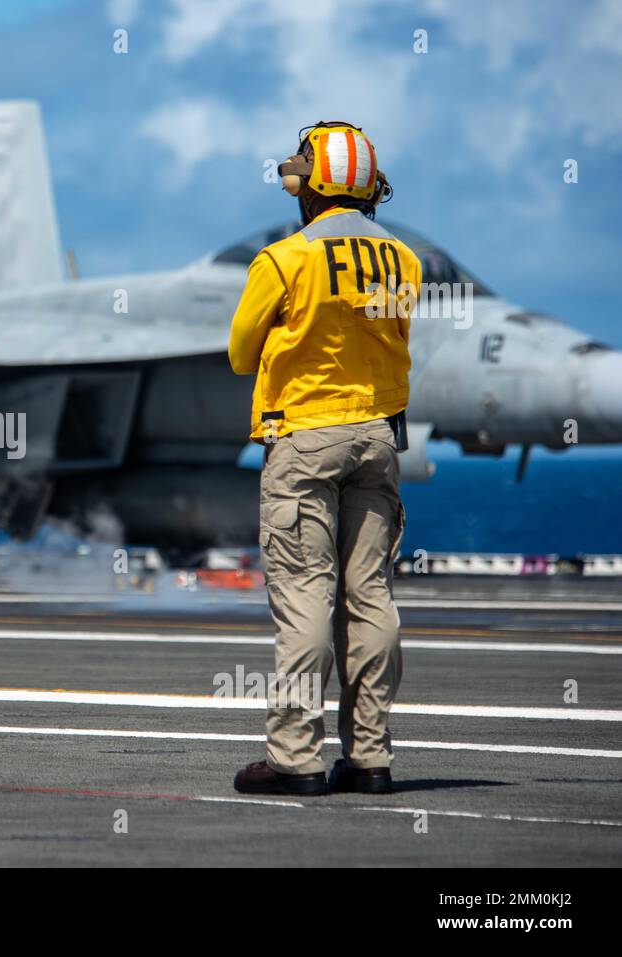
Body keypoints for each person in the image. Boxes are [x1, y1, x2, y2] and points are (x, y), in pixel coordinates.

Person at [227, 122, 422, 796]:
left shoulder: (283, 260)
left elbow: (239, 353)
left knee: (306, 594)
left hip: (306, 439)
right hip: (378, 439)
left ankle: (295, 756)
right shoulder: (405, 260)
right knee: (370, 596)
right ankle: (370, 755)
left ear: (308, 184)